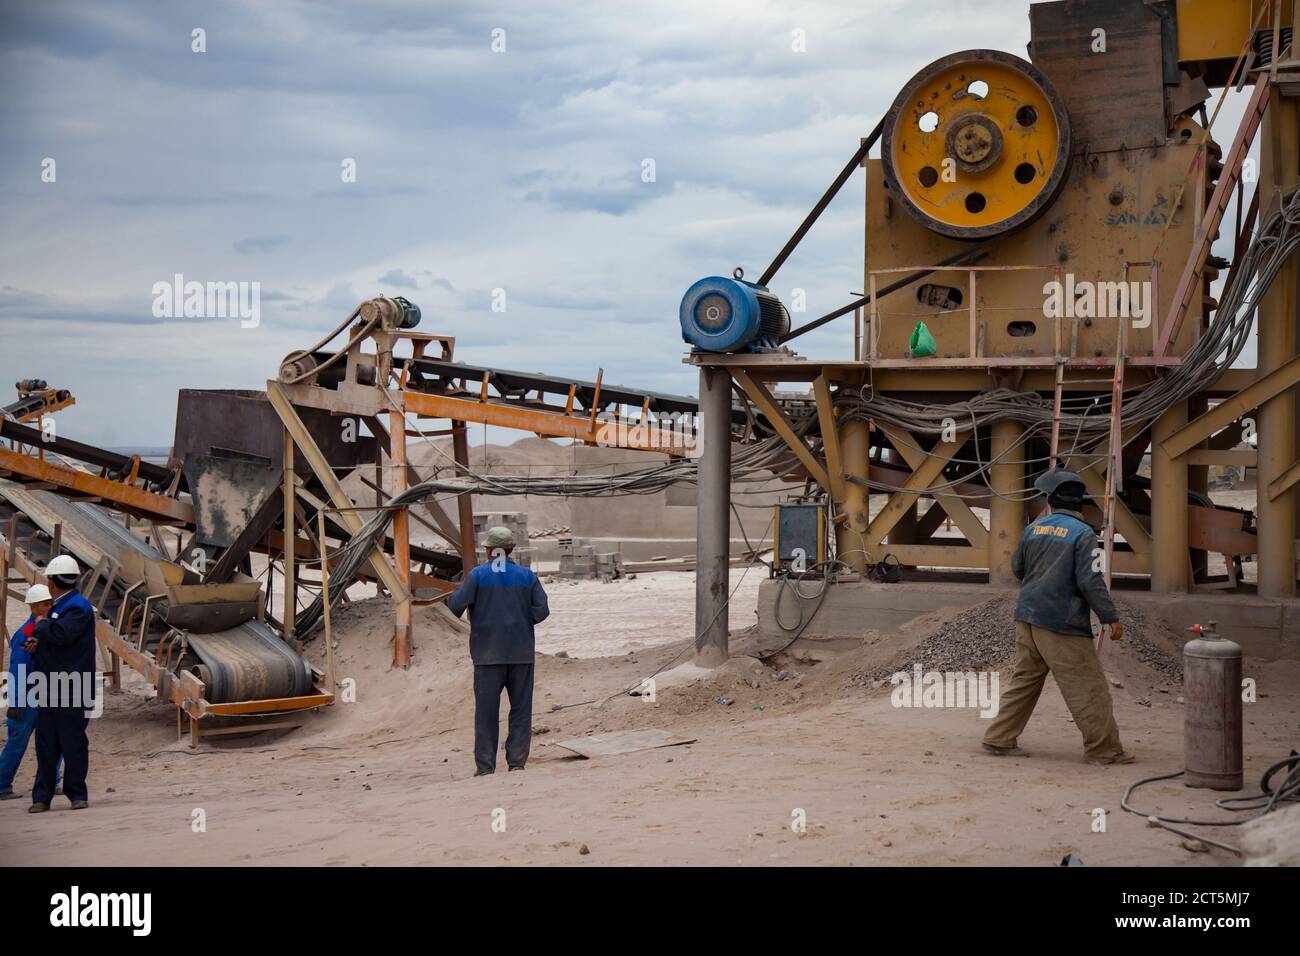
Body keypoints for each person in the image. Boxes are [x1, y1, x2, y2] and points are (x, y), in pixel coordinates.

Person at [981, 468, 1134, 765]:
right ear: (1080, 503)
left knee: (1024, 680)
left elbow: (1018, 568)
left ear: (1050, 500)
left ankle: (999, 737)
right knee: (1088, 685)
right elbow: (1091, 581)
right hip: (1061, 622)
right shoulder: (1083, 534)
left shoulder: (1034, 528)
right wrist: (1109, 616)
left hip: (1027, 615)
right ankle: (1104, 750)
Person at [447, 526, 549, 776]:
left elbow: (455, 606)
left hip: (487, 656)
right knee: (521, 710)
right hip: (521, 654)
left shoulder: (477, 576)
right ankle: (517, 763)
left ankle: (485, 768)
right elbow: (542, 610)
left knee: (486, 713)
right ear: (511, 550)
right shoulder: (527, 576)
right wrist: (520, 620)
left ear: (489, 550)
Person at [25, 554, 97, 812]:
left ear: (52, 582)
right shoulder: (58, 607)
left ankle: (76, 793)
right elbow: (53, 639)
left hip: (72, 687)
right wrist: (37, 643)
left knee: (72, 741)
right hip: (50, 685)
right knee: (46, 742)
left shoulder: (77, 607)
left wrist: (41, 625)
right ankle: (41, 797)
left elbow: (62, 635)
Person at [0, 585, 54, 799]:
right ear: (32, 607)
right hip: (28, 696)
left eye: (49, 604)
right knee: (17, 742)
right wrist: (16, 703)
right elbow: (17, 670)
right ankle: (2, 784)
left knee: (52, 739)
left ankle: (53, 781)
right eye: (43, 604)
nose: (47, 608)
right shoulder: (26, 634)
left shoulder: (47, 630)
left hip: (44, 693)